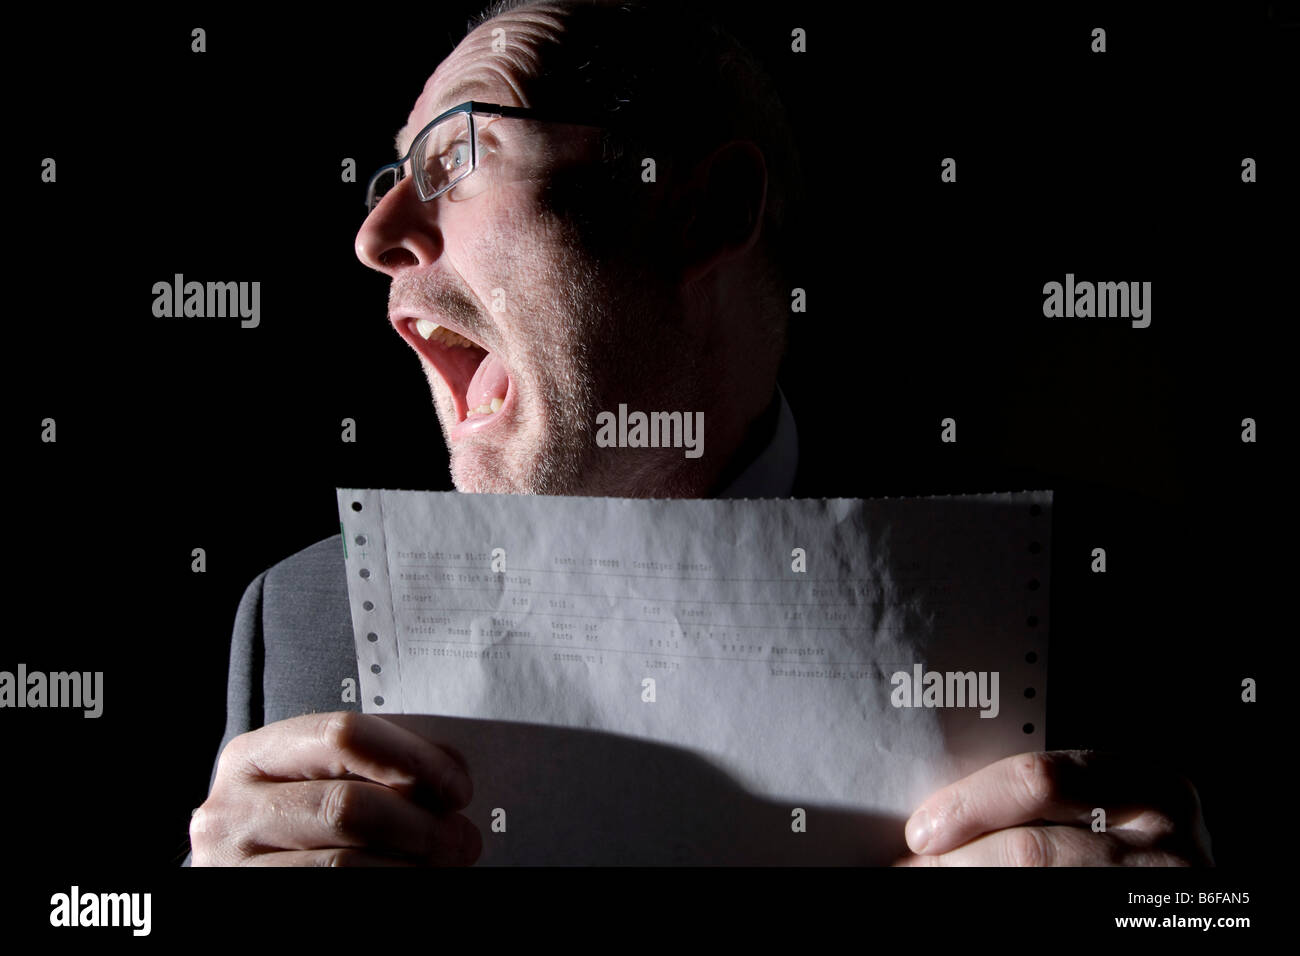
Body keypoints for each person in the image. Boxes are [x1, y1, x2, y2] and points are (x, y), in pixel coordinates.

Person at [187, 0, 1212, 867]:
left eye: (459, 153)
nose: (376, 235)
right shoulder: (302, 621)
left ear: (702, 210)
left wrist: (1186, 918)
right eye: (389, 177)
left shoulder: (1090, 593)